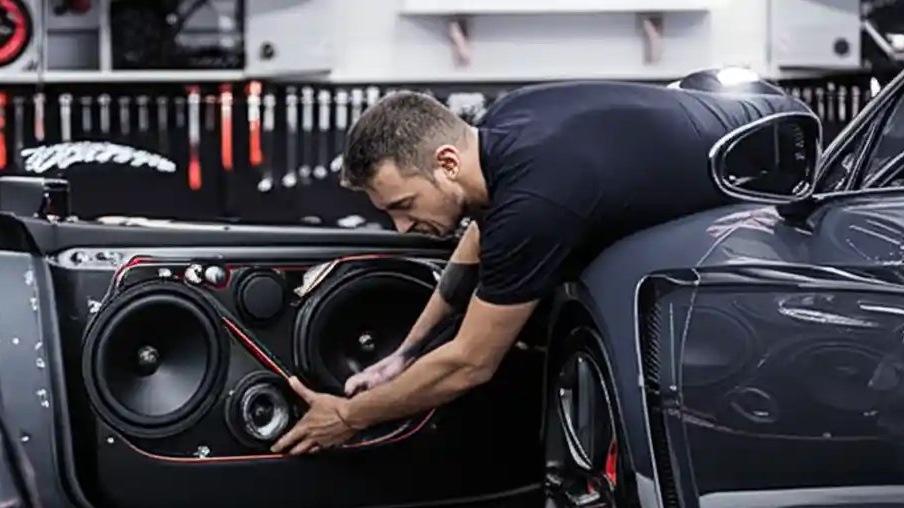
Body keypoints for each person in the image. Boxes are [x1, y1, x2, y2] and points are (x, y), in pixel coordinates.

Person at [271, 76, 807, 456]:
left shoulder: (535, 205)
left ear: (446, 164)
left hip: (789, 170)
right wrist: (405, 354)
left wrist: (347, 417)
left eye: (404, 206)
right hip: (754, 114)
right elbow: (481, 235)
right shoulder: (503, 125)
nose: (402, 229)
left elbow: (470, 364)